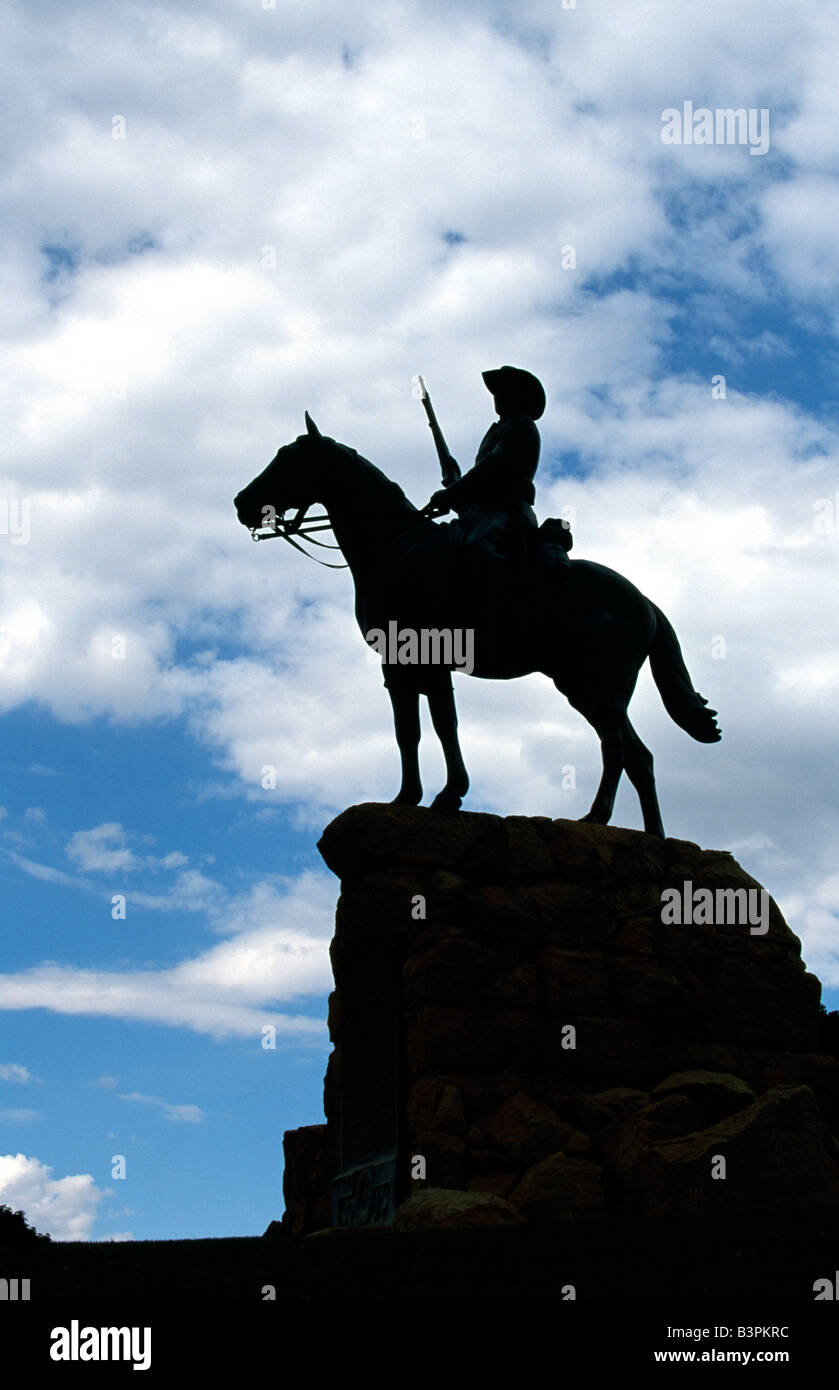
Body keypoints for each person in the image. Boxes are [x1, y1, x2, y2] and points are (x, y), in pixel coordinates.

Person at [424, 366, 570, 581]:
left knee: (477, 551)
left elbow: (494, 466)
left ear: (517, 397)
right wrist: (457, 492)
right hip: (483, 511)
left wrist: (453, 491)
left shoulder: (522, 425)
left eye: (503, 393)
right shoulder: (500, 428)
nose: (496, 398)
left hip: (506, 512)